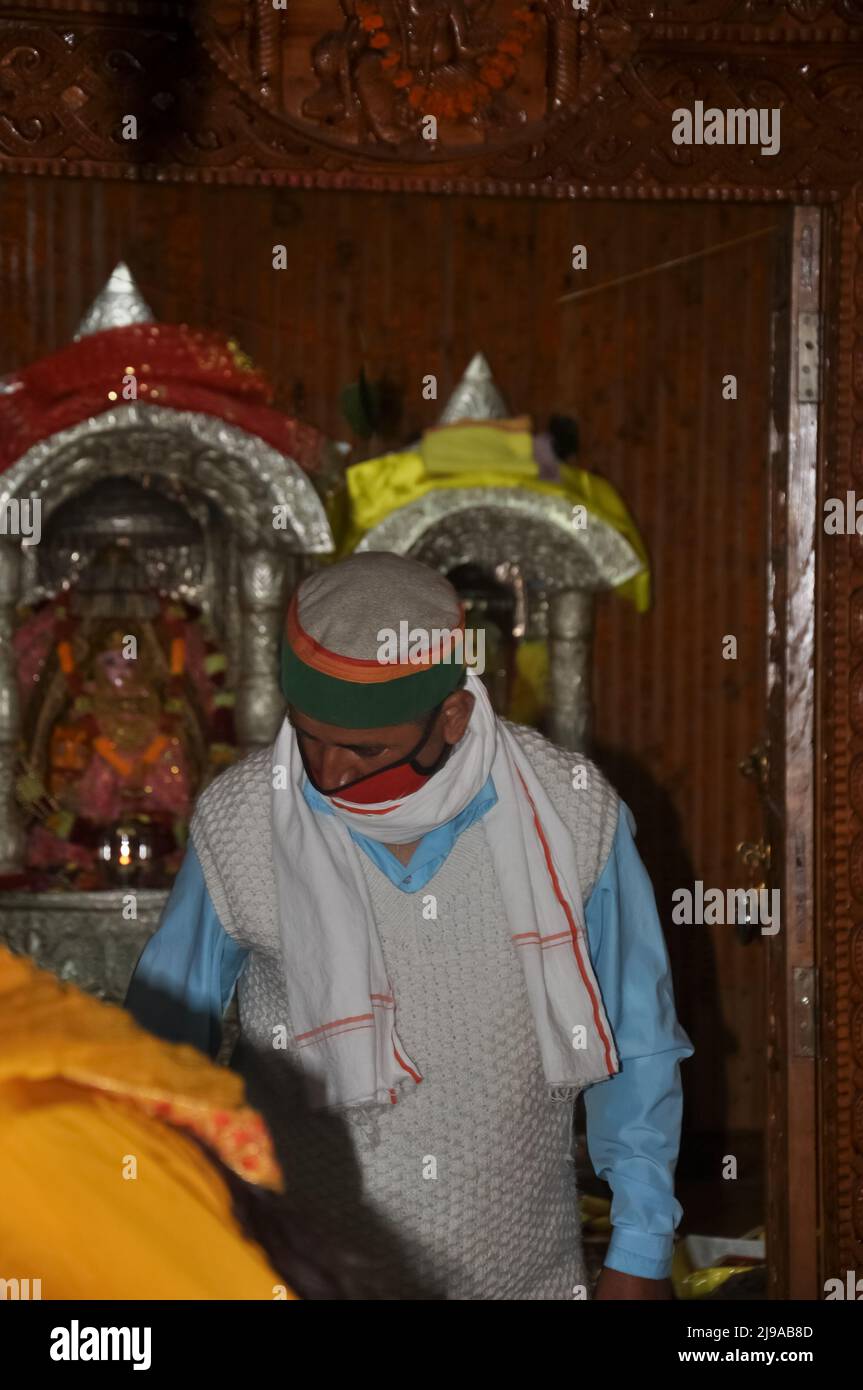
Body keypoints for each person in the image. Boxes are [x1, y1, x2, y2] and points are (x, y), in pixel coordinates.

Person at [127, 550, 693, 1300]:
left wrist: (641, 1246)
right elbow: (159, 1046)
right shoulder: (242, 819)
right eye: (308, 734)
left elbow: (638, 1043)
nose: (325, 774)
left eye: (365, 749)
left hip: (520, 1277)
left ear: (451, 716)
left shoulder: (572, 813)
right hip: (292, 1275)